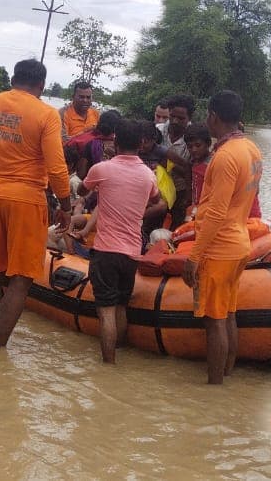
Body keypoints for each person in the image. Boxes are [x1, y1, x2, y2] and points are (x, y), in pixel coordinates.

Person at [0, 59, 72, 347]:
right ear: (42, 85)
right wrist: (66, 205)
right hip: (27, 199)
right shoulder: (47, 114)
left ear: (13, 78)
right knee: (21, 278)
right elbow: (57, 167)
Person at [181, 90, 262, 385]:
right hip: (239, 243)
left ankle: (214, 387)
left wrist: (194, 256)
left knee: (214, 321)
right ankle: (226, 377)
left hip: (219, 248)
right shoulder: (251, 149)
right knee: (228, 314)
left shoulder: (226, 156)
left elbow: (215, 213)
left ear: (213, 116)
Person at [80, 119, 159, 363]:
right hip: (132, 253)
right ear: (141, 143)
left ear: (114, 141)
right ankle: (120, 355)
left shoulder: (102, 169)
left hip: (106, 251)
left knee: (106, 312)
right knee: (122, 306)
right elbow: (155, 199)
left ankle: (108, 364)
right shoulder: (148, 175)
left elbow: (83, 190)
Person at [159, 95, 196, 226]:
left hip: (180, 192)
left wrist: (168, 164)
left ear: (189, 118)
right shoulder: (158, 131)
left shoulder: (195, 139)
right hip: (157, 190)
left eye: (181, 118)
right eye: (172, 116)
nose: (175, 121)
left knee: (177, 229)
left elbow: (192, 172)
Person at [65, 109, 121, 179]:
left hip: (88, 182)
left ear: (99, 123)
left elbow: (80, 174)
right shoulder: (121, 146)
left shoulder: (86, 141)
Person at [183, 124, 213, 209]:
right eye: (190, 146)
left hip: (207, 207)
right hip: (195, 205)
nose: (194, 149)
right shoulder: (191, 161)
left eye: (198, 145)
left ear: (208, 143)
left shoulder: (212, 163)